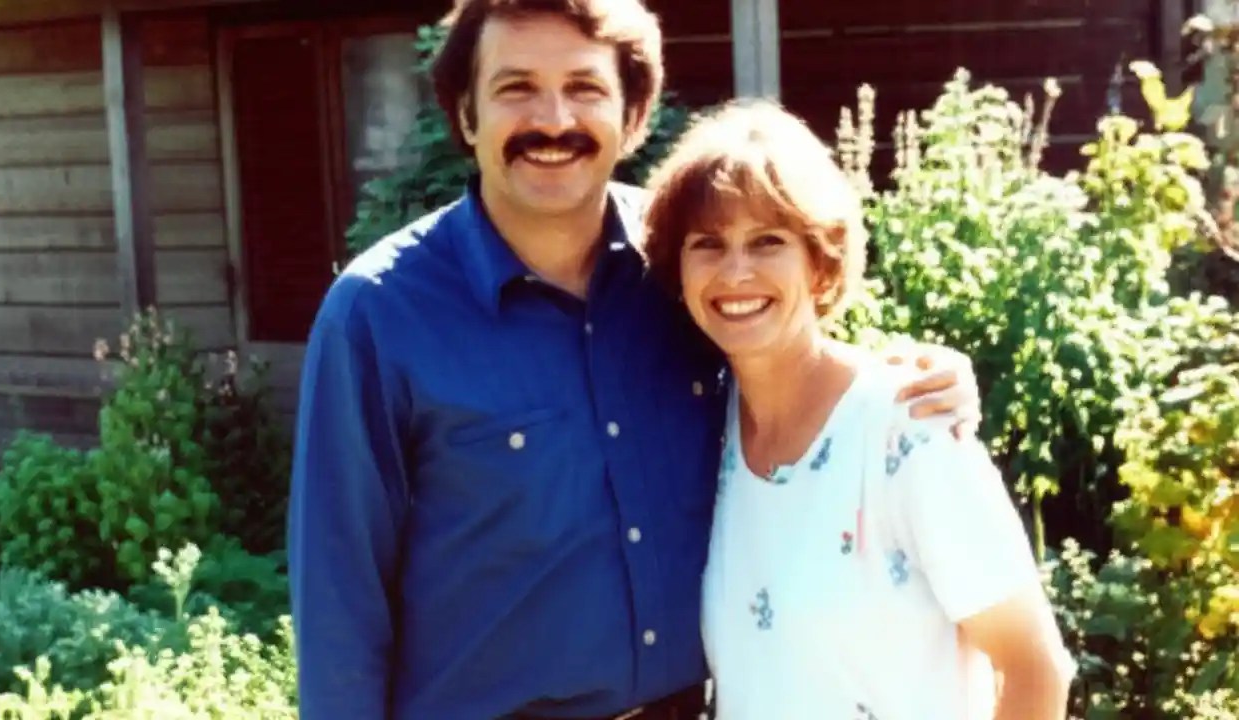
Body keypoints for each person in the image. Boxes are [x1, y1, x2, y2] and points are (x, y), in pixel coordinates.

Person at [287, 1, 983, 718]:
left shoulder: (688, 262)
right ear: (466, 117)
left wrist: (910, 378)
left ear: (635, 116)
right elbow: (340, 602)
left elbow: (795, 358)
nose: (553, 120)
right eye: (515, 88)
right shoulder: (378, 314)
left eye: (586, 88)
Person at [641, 100, 1076, 720]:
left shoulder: (906, 426)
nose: (736, 271)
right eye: (708, 244)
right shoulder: (706, 425)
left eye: (768, 241)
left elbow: (1035, 667)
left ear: (821, 264)